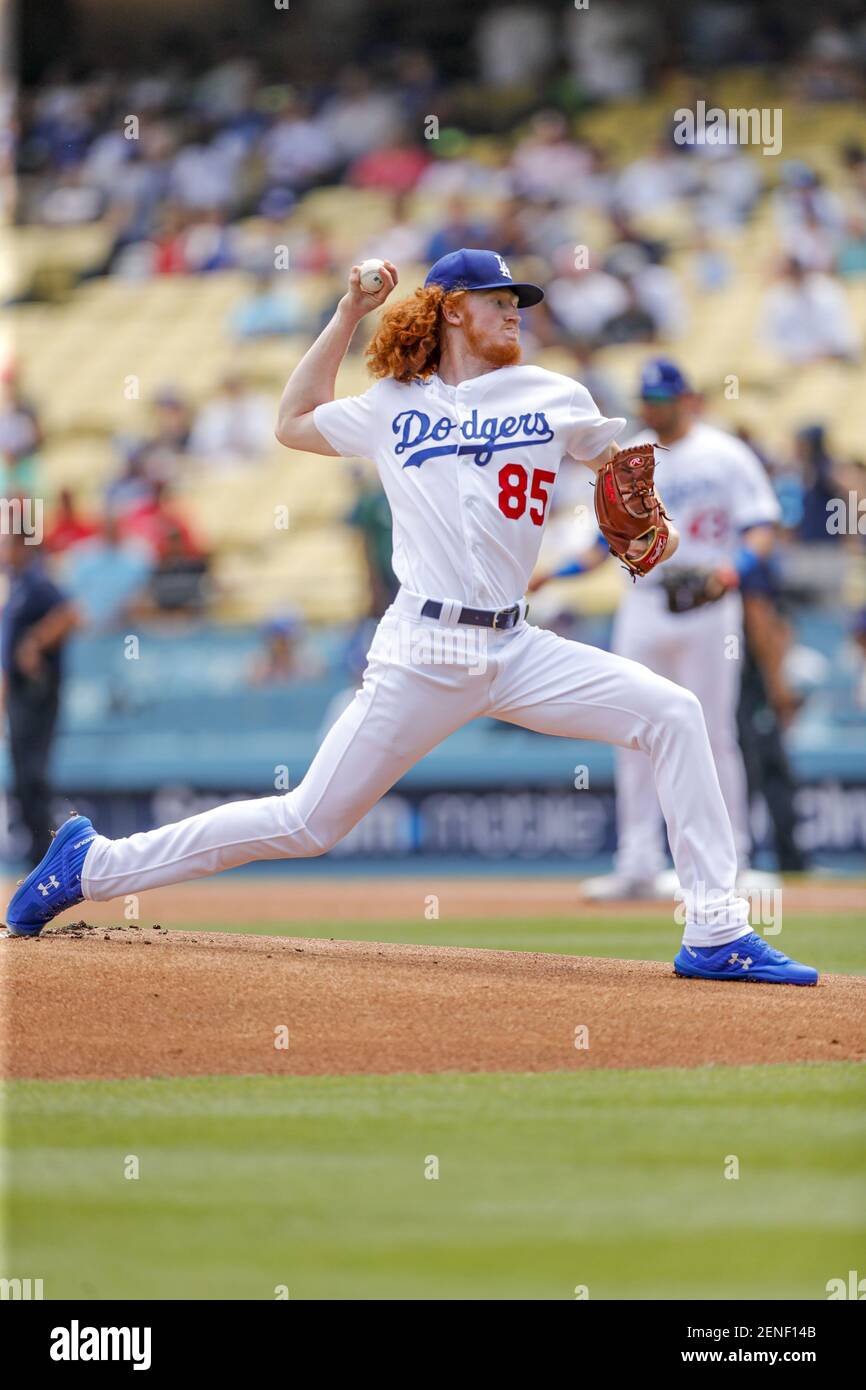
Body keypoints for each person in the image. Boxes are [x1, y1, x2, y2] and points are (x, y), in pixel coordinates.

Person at [4, 252, 817, 985]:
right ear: (454, 306)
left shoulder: (555, 393)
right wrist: (346, 314)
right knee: (308, 823)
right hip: (422, 649)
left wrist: (636, 505)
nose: (517, 312)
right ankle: (93, 866)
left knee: (674, 713)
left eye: (520, 302)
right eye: (502, 300)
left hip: (517, 644)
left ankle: (714, 929)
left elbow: (619, 476)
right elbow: (290, 421)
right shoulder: (392, 403)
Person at [533, 359, 783, 900]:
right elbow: (605, 543)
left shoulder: (724, 453)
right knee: (634, 732)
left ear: (686, 397)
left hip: (709, 604)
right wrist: (555, 572)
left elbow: (761, 525)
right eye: (646, 397)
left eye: (660, 396)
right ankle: (638, 863)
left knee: (715, 733)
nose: (651, 406)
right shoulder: (630, 457)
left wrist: (733, 570)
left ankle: (733, 861)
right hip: (644, 601)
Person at [1, 527, 80, 867]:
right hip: (20, 692)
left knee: (33, 773)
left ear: (22, 546)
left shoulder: (36, 581)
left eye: (6, 544)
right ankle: (40, 855)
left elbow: (71, 614)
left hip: (37, 691)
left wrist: (35, 641)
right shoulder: (16, 584)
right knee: (22, 774)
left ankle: (49, 854)